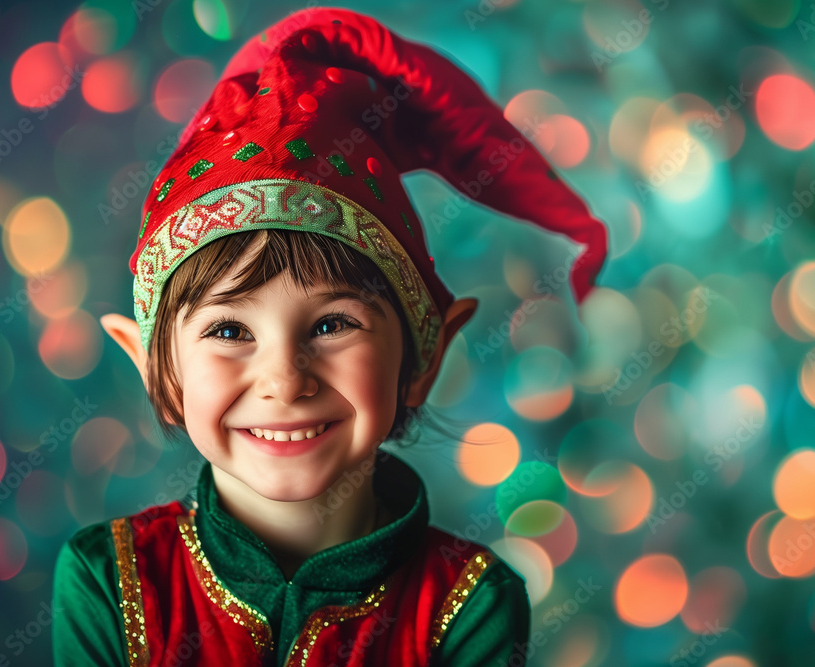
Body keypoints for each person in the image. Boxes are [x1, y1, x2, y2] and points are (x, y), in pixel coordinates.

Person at [52, 7, 608, 666]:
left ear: (423, 355)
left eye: (332, 324)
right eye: (229, 328)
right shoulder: (109, 584)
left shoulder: (469, 603)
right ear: (155, 368)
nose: (285, 379)